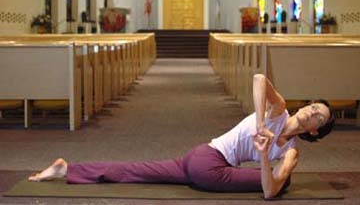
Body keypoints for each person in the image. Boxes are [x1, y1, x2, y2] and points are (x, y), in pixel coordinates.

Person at [28, 74, 335, 199]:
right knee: (283, 182)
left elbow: (269, 192)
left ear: (315, 130)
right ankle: (68, 170)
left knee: (136, 171)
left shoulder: (291, 151)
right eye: (312, 106)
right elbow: (258, 78)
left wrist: (266, 152)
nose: (312, 112)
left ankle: (67, 169)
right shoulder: (277, 111)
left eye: (318, 115)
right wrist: (259, 124)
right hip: (209, 164)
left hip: (199, 157)